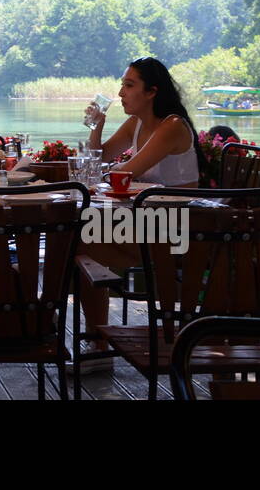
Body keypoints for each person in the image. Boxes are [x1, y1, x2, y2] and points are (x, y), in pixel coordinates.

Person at [75, 56, 202, 372]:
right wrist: (97, 127)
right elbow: (100, 157)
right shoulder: (136, 123)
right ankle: (97, 342)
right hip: (149, 221)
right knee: (75, 241)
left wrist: (103, 174)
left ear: (151, 92)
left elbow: (126, 172)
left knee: (78, 241)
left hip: (178, 228)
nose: (121, 93)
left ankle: (97, 344)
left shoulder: (172, 126)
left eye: (129, 85)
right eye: (122, 84)